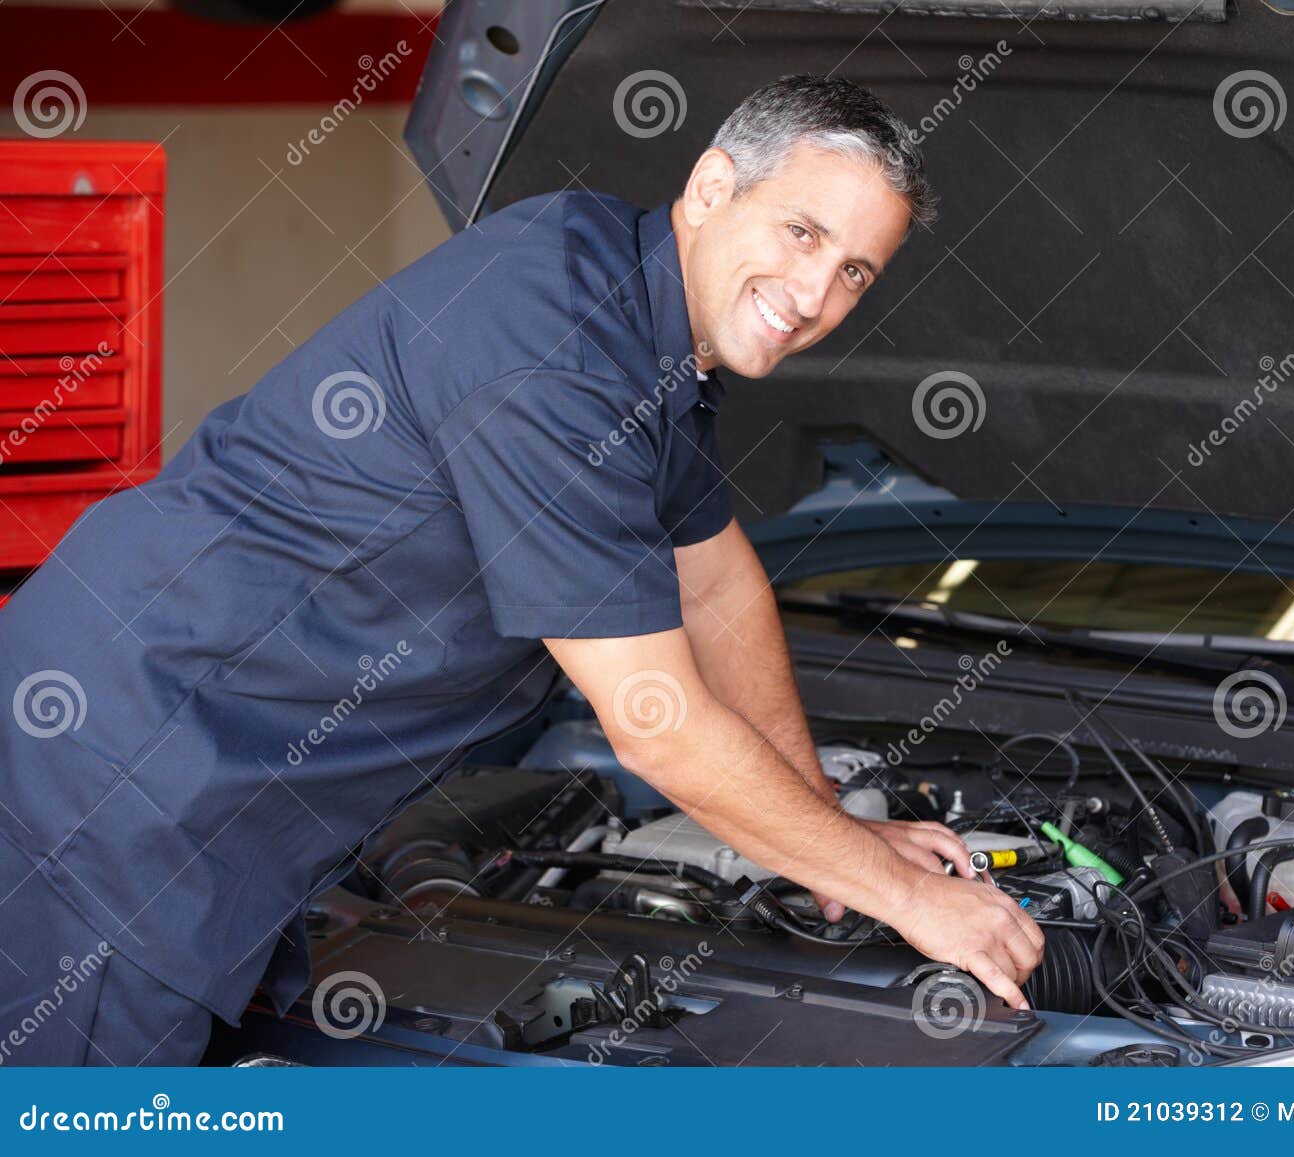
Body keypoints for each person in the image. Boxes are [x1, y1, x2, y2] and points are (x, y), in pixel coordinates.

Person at [0, 73, 1043, 1066]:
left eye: (855, 269)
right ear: (713, 187)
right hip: (119, 796)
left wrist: (819, 824)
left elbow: (715, 581)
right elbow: (654, 720)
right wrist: (903, 896)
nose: (816, 291)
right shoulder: (559, 354)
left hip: (216, 782)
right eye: (803, 231)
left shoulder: (633, 304)